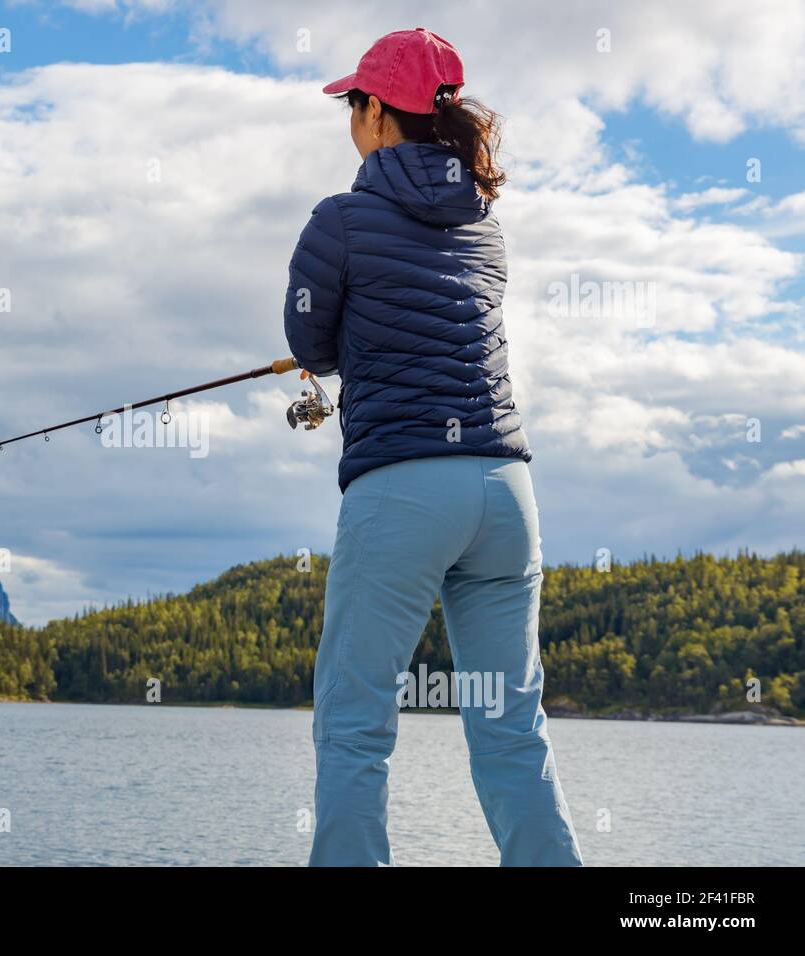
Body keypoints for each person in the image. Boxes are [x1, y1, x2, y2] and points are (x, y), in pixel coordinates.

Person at [284, 28, 583, 867]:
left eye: (354, 104)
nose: (350, 120)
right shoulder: (485, 225)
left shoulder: (338, 219)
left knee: (355, 723)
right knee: (511, 727)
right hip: (504, 492)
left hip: (403, 488)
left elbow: (310, 341)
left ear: (377, 112)